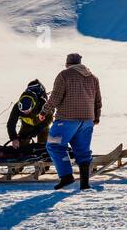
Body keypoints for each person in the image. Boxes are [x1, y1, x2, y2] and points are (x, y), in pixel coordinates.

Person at [40, 52, 102, 191]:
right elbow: (98, 101)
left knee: (54, 146)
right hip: (87, 121)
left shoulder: (64, 75)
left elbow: (55, 97)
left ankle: (66, 176)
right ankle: (85, 184)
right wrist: (96, 117)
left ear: (67, 64)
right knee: (83, 152)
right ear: (80, 63)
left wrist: (44, 112)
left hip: (66, 120)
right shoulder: (93, 78)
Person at [5, 78, 51, 155]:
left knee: (43, 148)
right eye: (23, 112)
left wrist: (37, 130)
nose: (25, 113)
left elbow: (49, 119)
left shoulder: (42, 104)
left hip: (42, 125)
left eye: (27, 111)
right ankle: (18, 165)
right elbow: (11, 124)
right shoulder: (17, 107)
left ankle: (44, 166)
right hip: (26, 125)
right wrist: (14, 139)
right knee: (20, 147)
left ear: (32, 106)